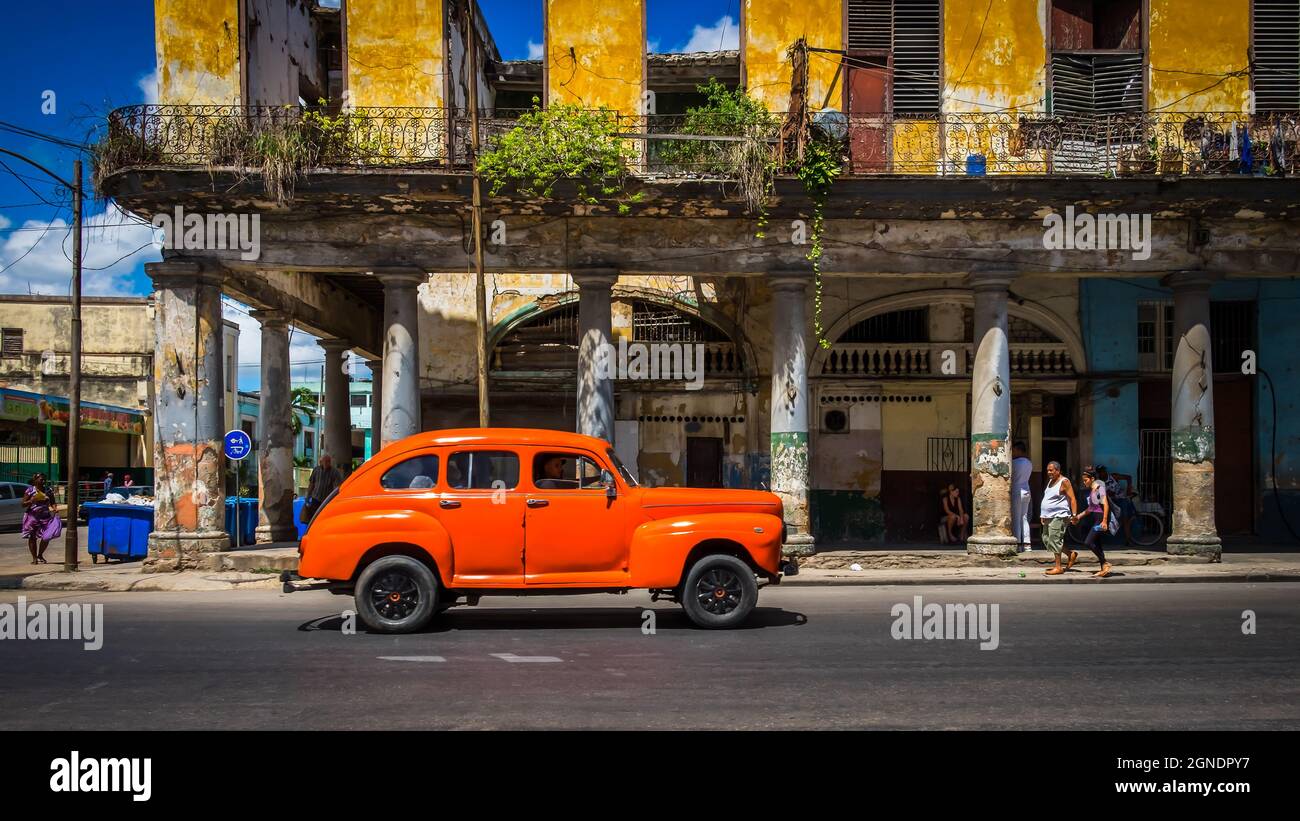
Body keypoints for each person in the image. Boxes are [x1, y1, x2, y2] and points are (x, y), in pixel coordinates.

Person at [1072, 466, 1114, 578]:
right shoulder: (1092, 489)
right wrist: (1079, 517)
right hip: (1095, 518)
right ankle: (1103, 567)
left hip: (1100, 519)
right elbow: (1091, 508)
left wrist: (1104, 521)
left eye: (1085, 480)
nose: (1084, 482)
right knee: (1097, 542)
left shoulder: (1099, 487)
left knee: (1088, 542)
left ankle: (1105, 562)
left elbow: (1105, 504)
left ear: (1092, 478)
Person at [1040, 461, 1079, 576]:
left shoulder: (1064, 481)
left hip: (1060, 515)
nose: (1049, 472)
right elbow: (1048, 498)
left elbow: (1072, 499)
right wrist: (1043, 514)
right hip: (1048, 516)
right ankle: (1070, 554)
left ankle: (1058, 567)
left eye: (1051, 470)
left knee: (1055, 539)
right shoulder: (1050, 482)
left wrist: (1074, 515)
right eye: (1048, 470)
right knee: (1046, 539)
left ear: (1058, 470)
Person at [21, 473, 63, 565]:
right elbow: (23, 504)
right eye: (41, 479)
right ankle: (34, 558)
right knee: (32, 537)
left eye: (44, 480)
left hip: (45, 517)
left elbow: (52, 502)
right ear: (35, 480)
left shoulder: (48, 490)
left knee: (46, 537)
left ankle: (40, 554)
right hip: (32, 517)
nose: (43, 481)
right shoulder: (30, 490)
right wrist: (31, 501)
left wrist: (55, 508)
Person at [1097, 465, 1137, 545]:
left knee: (1125, 519)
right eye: (1101, 472)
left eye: (1104, 471)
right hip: (1111, 502)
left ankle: (1128, 540)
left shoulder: (1113, 477)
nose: (1103, 473)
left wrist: (1129, 489)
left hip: (1121, 499)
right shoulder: (1100, 483)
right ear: (1099, 473)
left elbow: (1128, 477)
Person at [303, 454, 344, 523]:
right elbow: (311, 484)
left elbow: (338, 485)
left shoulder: (334, 472)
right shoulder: (316, 470)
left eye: (328, 461)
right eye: (325, 461)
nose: (327, 463)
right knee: (314, 517)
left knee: (324, 518)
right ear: (321, 462)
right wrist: (307, 496)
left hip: (326, 499)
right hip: (315, 498)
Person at [1011, 441, 1033, 551]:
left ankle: (1018, 543)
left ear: (1019, 450)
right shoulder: (1029, 463)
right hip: (1026, 491)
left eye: (1014, 450)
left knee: (1016, 518)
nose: (1012, 453)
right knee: (1024, 517)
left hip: (1016, 491)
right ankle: (1027, 544)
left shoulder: (1014, 463)